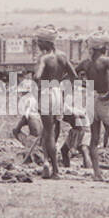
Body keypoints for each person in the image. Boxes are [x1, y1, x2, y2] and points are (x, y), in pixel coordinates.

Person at [33, 27, 78, 179]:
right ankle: (47, 161)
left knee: (49, 132)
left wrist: (38, 83)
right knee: (53, 129)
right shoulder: (63, 56)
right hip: (58, 91)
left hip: (46, 92)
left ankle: (54, 169)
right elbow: (74, 75)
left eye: (39, 41)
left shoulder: (44, 58)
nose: (38, 44)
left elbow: (37, 76)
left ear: (46, 42)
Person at [85, 39, 109, 182]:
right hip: (104, 100)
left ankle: (96, 174)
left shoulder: (86, 63)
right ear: (102, 48)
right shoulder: (106, 61)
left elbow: (71, 77)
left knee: (94, 139)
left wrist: (86, 86)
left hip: (91, 100)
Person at [11, 77, 45, 165]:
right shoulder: (35, 106)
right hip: (40, 135)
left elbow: (23, 119)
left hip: (34, 137)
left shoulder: (27, 104)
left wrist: (17, 129)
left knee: (20, 134)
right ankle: (35, 156)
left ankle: (29, 157)